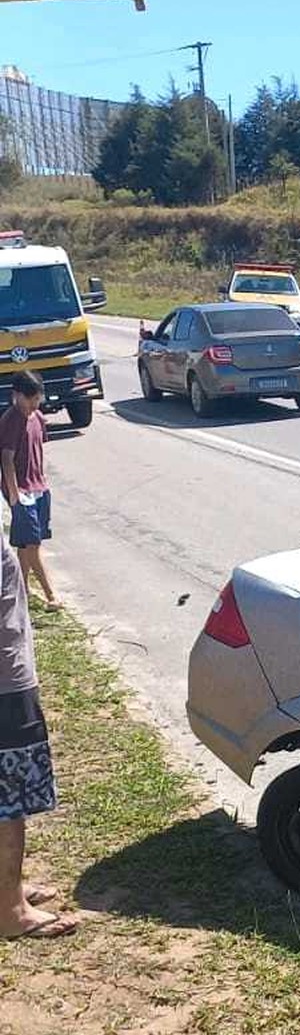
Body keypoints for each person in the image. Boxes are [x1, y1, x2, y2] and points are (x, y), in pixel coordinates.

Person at [0, 512, 75, 940]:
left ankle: (6, 888)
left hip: (9, 675)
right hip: (4, 687)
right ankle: (10, 910)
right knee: (8, 803)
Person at [0, 371, 57, 609]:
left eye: (37, 398)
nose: (33, 403)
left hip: (39, 487)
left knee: (26, 544)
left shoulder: (38, 418)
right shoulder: (11, 420)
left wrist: (43, 481)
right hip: (21, 492)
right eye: (29, 398)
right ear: (16, 396)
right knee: (33, 545)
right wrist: (13, 494)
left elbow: (39, 450)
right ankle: (52, 595)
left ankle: (21, 591)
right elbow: (6, 458)